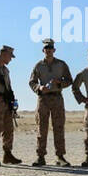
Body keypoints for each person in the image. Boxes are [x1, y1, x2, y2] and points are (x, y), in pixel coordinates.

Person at [28, 38, 72, 166]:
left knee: (58, 127)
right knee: (42, 128)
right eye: (46, 48)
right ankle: (40, 156)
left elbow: (69, 80)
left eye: (50, 48)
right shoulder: (38, 66)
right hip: (43, 99)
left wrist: (60, 83)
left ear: (54, 50)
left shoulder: (61, 64)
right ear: (43, 50)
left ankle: (60, 157)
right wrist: (39, 88)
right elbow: (32, 82)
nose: (48, 50)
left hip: (57, 98)